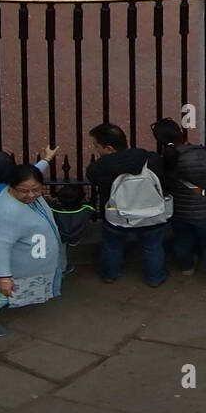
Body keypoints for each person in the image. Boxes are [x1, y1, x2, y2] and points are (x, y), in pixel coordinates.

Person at [0, 150, 68, 338]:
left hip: (25, 264)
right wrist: (4, 277)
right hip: (13, 268)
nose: (31, 195)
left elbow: (31, 173)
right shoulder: (7, 213)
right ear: (11, 186)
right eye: (24, 191)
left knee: (6, 292)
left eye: (36, 189)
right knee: (2, 294)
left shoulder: (17, 186)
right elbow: (1, 247)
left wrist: (46, 159)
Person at [151, 119, 206, 289]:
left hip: (179, 212)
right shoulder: (202, 156)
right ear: (180, 133)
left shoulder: (163, 160)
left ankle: (187, 267)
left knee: (183, 240)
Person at [81, 122, 163, 288]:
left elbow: (95, 179)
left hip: (116, 213)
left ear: (109, 148)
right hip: (150, 212)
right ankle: (155, 278)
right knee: (152, 246)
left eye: (97, 145)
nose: (95, 149)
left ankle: (109, 275)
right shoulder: (150, 158)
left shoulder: (99, 167)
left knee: (112, 246)